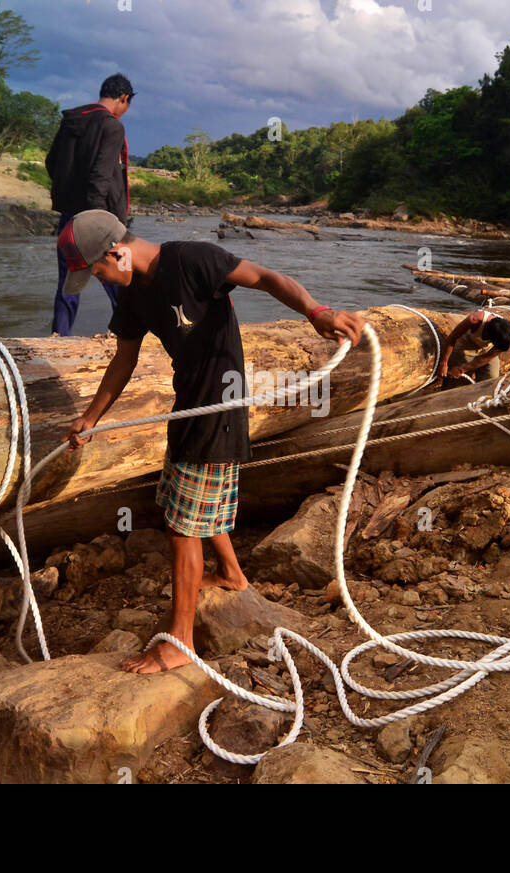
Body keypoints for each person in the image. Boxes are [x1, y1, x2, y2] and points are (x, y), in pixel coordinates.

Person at [61, 210, 366, 674]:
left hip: (220, 407)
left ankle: (179, 644)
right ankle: (230, 572)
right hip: (190, 405)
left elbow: (264, 277)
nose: (101, 279)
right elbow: (122, 363)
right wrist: (89, 417)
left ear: (116, 251)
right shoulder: (133, 298)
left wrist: (315, 311)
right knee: (182, 500)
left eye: (98, 271)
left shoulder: (193, 259)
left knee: (183, 527)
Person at [45, 73, 135, 336]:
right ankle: (128, 337)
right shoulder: (112, 126)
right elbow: (101, 176)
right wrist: (97, 217)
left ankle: (59, 338)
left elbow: (52, 162)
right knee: (121, 280)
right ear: (124, 98)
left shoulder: (72, 121)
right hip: (99, 219)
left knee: (68, 283)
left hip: (69, 217)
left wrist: (67, 195)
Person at [438, 309, 510, 383]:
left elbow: (487, 357)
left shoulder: (507, 337)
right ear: (488, 334)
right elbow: (453, 337)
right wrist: (444, 363)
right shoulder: (475, 320)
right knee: (458, 381)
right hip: (466, 345)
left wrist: (462, 369)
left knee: (491, 379)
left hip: (487, 349)